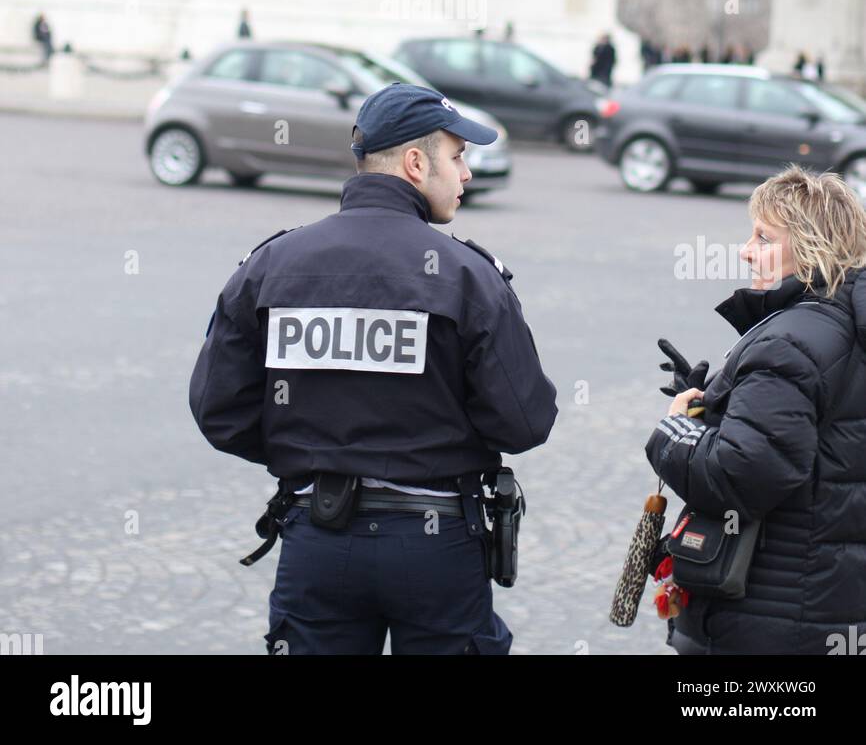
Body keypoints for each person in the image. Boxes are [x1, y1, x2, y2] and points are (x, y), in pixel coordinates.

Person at [189, 82, 558, 655]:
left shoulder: (272, 266)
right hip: (436, 544)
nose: (466, 175)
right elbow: (524, 422)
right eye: (458, 157)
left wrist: (313, 450)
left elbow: (220, 410)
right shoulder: (467, 275)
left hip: (317, 535)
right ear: (416, 163)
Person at [646, 165, 866, 655]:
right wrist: (719, 402)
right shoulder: (848, 323)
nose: (745, 250)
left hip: (766, 617)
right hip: (832, 603)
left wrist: (674, 431)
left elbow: (741, 474)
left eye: (763, 238)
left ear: (810, 248)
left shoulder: (791, 341)